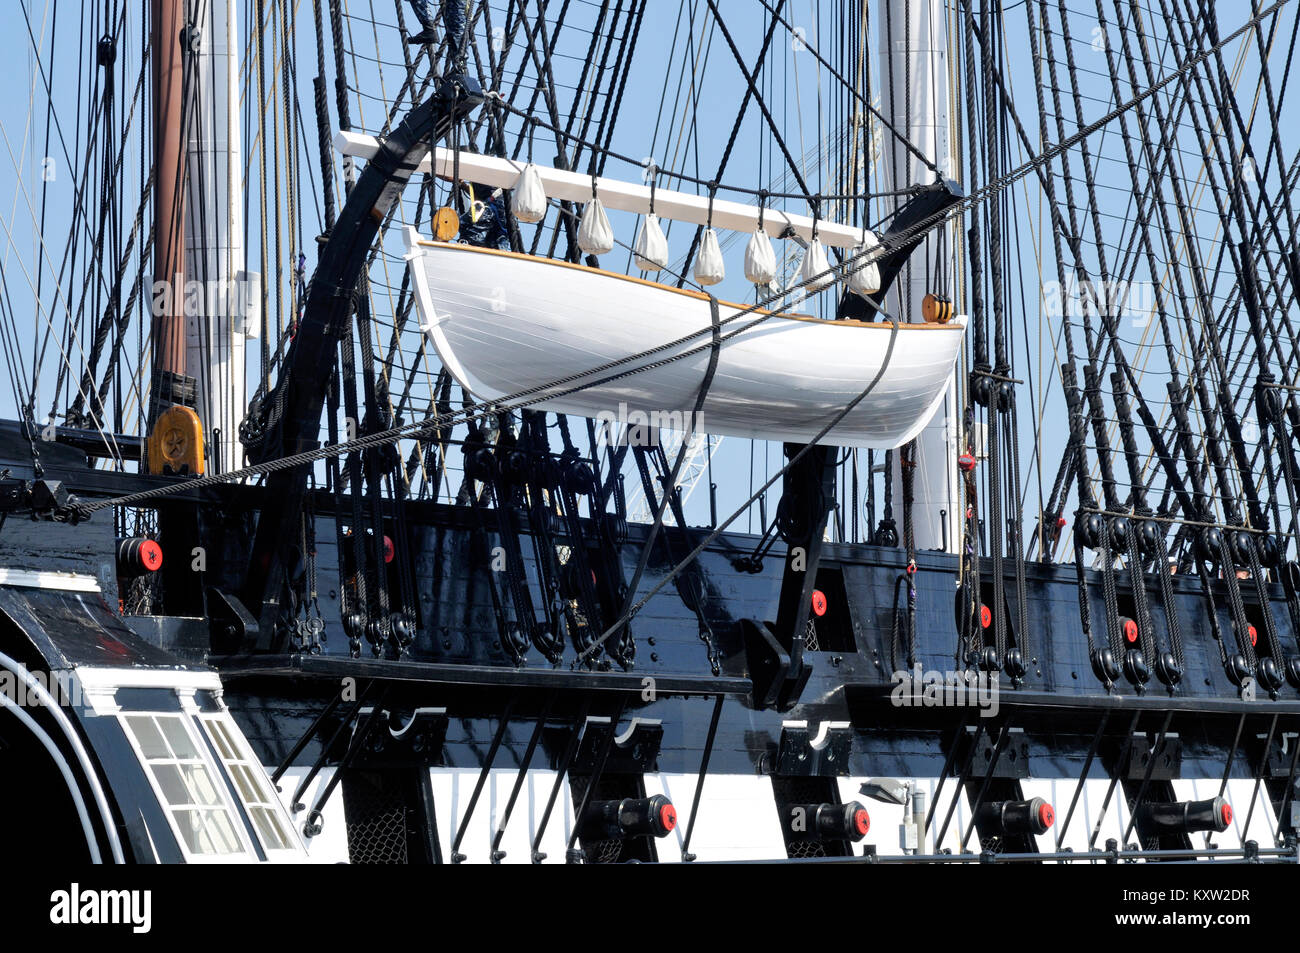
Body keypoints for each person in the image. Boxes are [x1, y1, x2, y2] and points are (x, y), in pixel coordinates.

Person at [457, 181, 512, 251]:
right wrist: (462, 184)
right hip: (492, 206)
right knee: (494, 242)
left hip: (496, 206)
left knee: (464, 224)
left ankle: (477, 250)